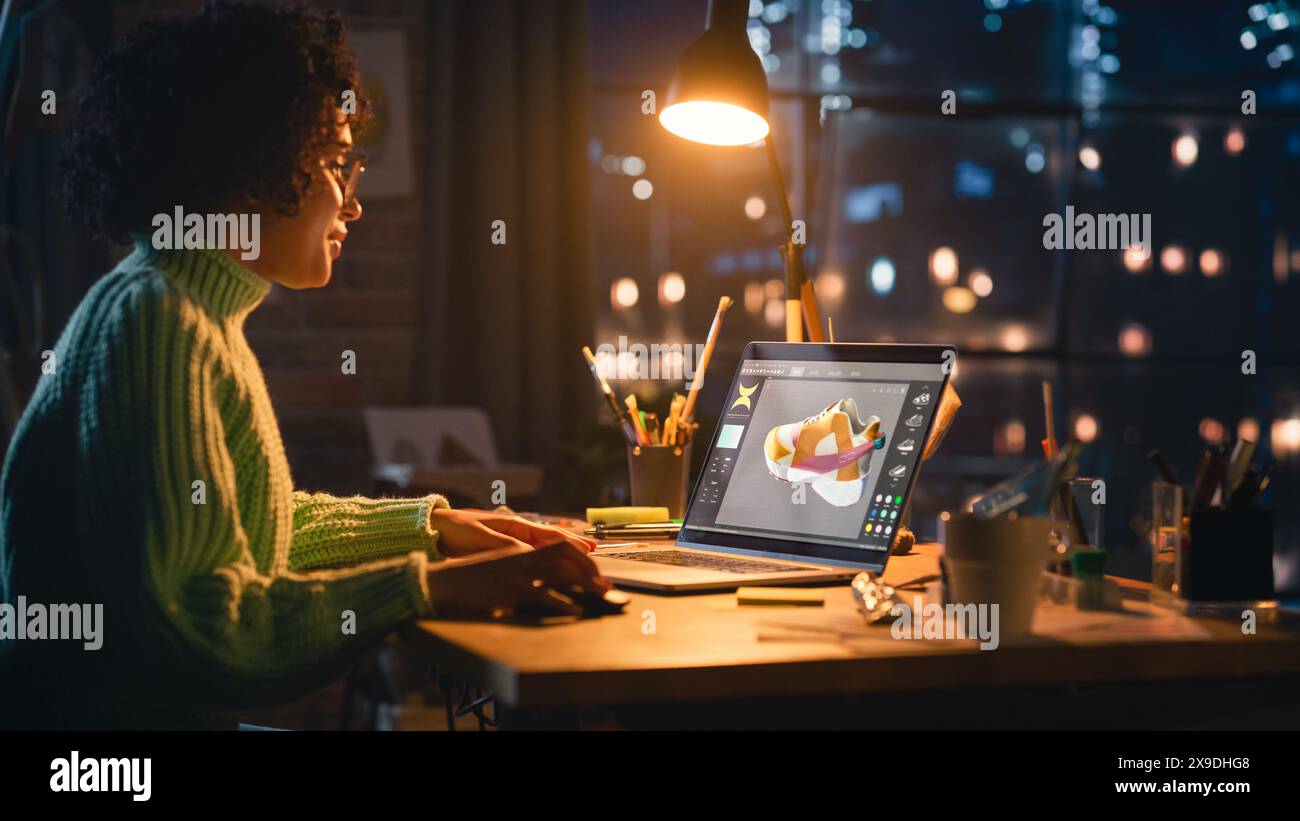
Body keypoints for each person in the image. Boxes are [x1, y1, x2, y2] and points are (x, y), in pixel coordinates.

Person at [0, 0, 606, 729]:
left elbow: (260, 532)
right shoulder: (159, 319)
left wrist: (440, 526)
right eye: (330, 163)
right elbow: (197, 625)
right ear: (248, 164)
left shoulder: (189, 306)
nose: (351, 203)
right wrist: (435, 588)